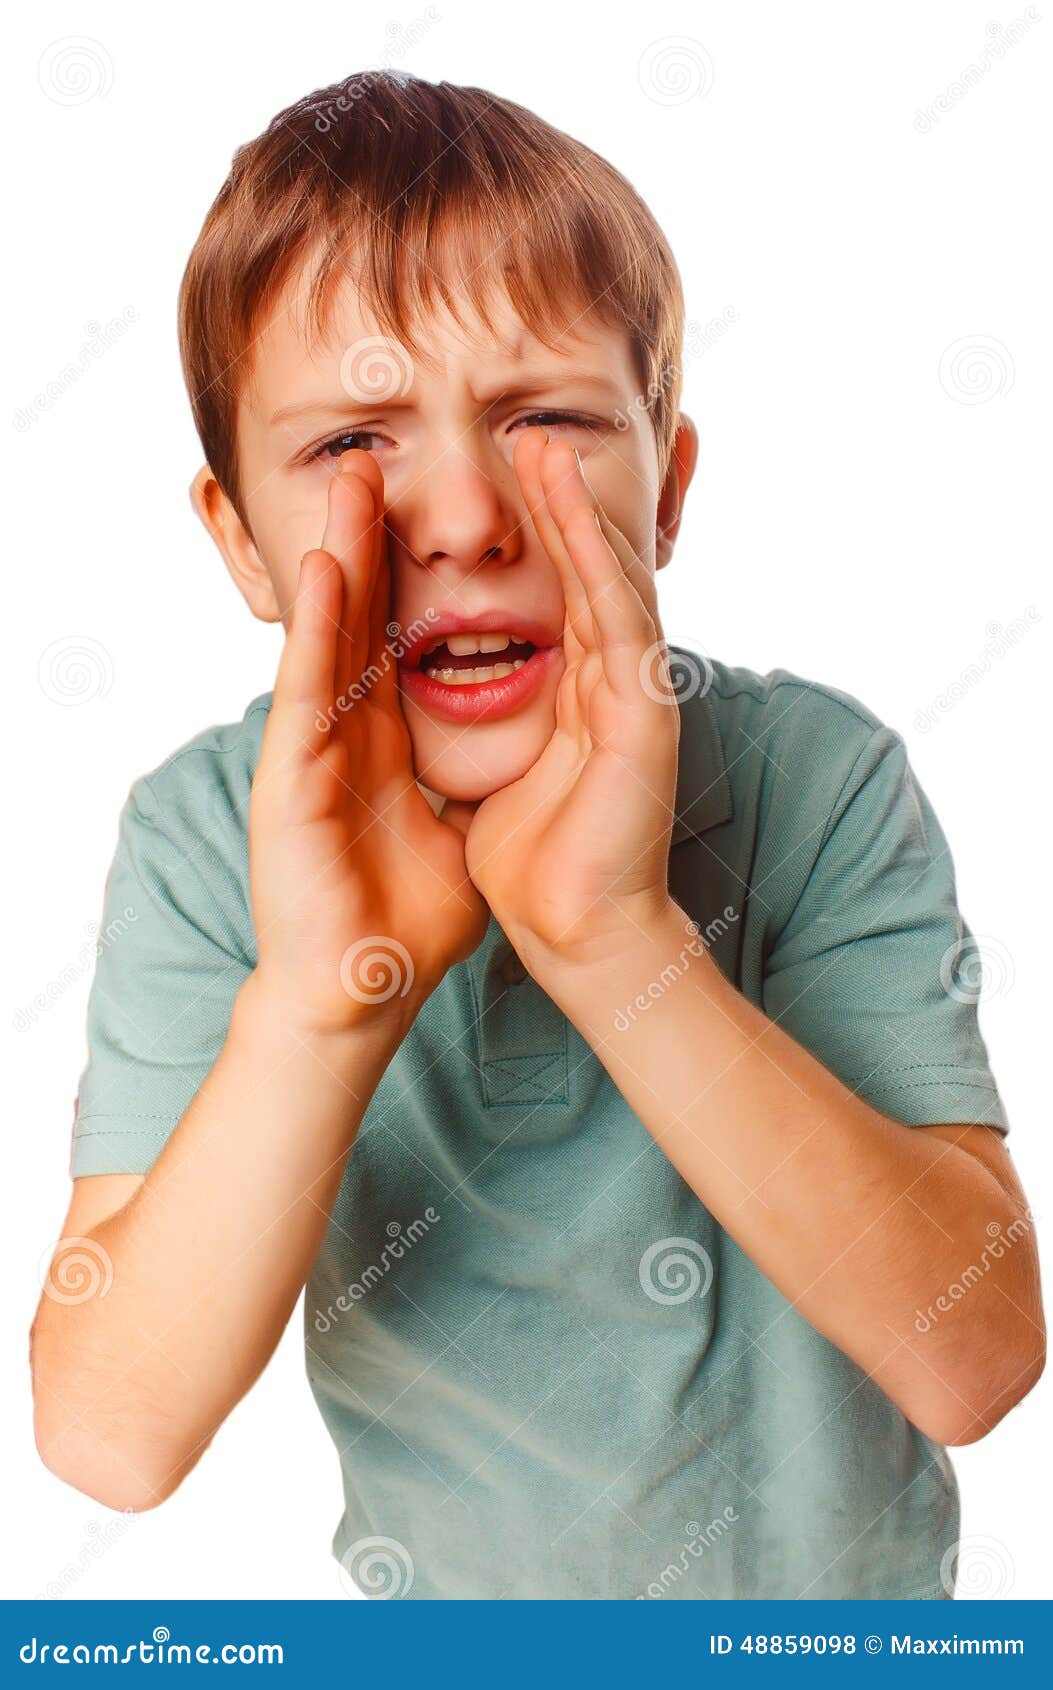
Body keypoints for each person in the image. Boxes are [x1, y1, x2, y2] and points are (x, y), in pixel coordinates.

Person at [30, 71, 1044, 1601]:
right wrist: (324, 998)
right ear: (239, 541)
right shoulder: (203, 837)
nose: (462, 517)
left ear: (667, 489)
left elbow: (973, 1359)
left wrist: (614, 938)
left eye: (547, 420)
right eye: (352, 443)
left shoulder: (813, 778)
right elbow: (111, 1437)